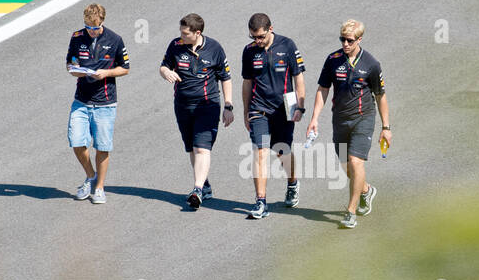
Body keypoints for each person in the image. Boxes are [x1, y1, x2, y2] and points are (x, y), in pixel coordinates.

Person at [307, 19, 391, 229]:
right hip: (340, 119)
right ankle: (366, 190)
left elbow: (380, 95)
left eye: (349, 40)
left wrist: (386, 128)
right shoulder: (333, 60)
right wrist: (314, 118)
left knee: (355, 161)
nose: (345, 44)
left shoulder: (371, 64)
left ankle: (351, 211)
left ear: (359, 39)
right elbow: (323, 89)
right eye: (342, 39)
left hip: (363, 118)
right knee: (347, 167)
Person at [159, 13, 233, 208]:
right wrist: (166, 71)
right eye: (180, 32)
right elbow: (164, 66)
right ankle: (204, 184)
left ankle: (197, 189)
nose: (181, 36)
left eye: (185, 33)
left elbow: (225, 77)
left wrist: (228, 105)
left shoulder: (214, 48)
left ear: (197, 32)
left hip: (207, 105)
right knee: (192, 147)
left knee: (202, 147)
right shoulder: (175, 45)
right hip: (182, 105)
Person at [240, 13, 305, 219]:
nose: (257, 41)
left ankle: (292, 183)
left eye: (260, 36)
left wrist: (299, 106)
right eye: (253, 37)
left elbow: (298, 77)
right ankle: (261, 202)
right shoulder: (249, 52)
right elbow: (247, 82)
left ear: (270, 29)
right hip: (259, 109)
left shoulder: (287, 45)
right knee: (260, 151)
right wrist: (245, 110)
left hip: (284, 107)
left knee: (282, 150)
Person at [66, 3, 129, 204]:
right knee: (76, 141)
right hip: (82, 100)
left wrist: (107, 73)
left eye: (95, 28)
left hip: (105, 102)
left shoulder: (115, 39)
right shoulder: (77, 37)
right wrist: (75, 70)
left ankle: (99, 188)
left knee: (102, 146)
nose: (91, 31)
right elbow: (70, 63)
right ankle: (91, 176)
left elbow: (125, 68)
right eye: (88, 27)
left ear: (102, 22)